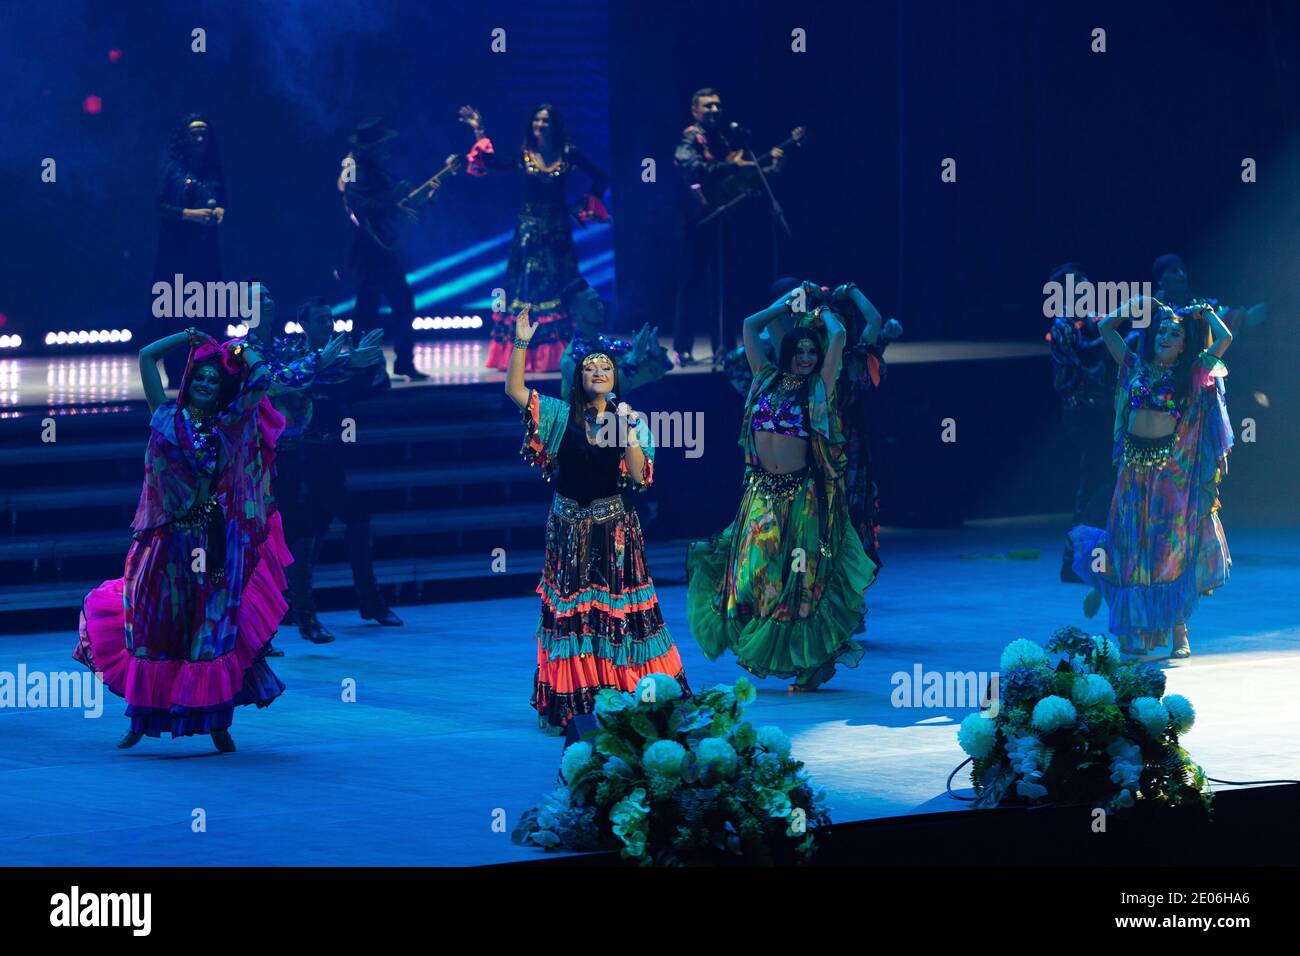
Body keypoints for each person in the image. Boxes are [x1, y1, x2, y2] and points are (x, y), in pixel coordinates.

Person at [74, 328, 290, 752]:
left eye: (214, 379)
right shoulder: (164, 416)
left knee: (209, 631)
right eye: (200, 377)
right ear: (189, 382)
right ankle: (139, 723)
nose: (207, 384)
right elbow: (145, 356)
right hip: (161, 544)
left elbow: (261, 380)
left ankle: (217, 726)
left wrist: (238, 349)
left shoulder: (229, 427)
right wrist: (185, 338)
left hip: (208, 543)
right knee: (154, 629)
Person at [506, 305, 689, 732]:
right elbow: (516, 389)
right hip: (568, 531)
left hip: (615, 534)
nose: (599, 370)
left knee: (617, 613)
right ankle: (575, 703)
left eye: (606, 366)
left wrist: (625, 429)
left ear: (616, 377)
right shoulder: (557, 415)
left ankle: (627, 696)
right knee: (574, 614)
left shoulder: (629, 420)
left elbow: (642, 476)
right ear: (579, 377)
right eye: (591, 366)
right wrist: (521, 341)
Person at [686, 283, 878, 691]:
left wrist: (824, 308)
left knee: (798, 581)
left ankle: (812, 662)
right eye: (802, 350)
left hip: (801, 498)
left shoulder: (819, 388)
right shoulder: (764, 378)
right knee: (755, 577)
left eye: (813, 351)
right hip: (760, 495)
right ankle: (780, 650)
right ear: (788, 351)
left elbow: (840, 337)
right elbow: (748, 327)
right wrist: (787, 301)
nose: (808, 357)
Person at [1070, 297, 1233, 660]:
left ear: (1183, 344)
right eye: (1161, 329)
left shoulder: (1191, 374)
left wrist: (1206, 315)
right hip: (1133, 471)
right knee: (1130, 548)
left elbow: (1225, 340)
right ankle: (1135, 628)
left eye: (1174, 333)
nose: (1165, 336)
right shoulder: (1134, 366)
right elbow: (1104, 328)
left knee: (1168, 551)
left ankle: (1179, 630)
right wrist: (1135, 305)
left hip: (1169, 475)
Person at [272, 297, 400, 642]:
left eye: (331, 319)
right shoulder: (292, 355)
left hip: (330, 455)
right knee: (308, 530)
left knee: (351, 520)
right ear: (305, 324)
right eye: (321, 320)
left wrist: (374, 365)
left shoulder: (342, 357)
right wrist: (347, 364)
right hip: (298, 458)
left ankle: (367, 602)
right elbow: (299, 385)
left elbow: (366, 390)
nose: (329, 325)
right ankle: (304, 614)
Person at [459, 103, 610, 372]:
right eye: (537, 120)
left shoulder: (568, 154)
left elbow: (600, 176)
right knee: (529, 290)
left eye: (546, 121)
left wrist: (585, 205)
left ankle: (561, 353)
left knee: (560, 288)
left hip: (557, 231)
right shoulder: (524, 155)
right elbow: (493, 163)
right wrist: (479, 130)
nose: (540, 125)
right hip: (529, 232)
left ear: (555, 126)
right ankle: (526, 355)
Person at [671, 88, 790, 367]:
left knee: (723, 286)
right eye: (708, 106)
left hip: (723, 222)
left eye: (718, 105)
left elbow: (742, 179)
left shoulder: (726, 139)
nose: (715, 110)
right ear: (695, 111)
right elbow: (694, 168)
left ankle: (724, 346)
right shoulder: (690, 137)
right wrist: (731, 165)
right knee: (691, 284)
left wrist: (771, 167)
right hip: (696, 222)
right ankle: (681, 348)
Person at [339, 118, 441, 381]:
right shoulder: (353, 167)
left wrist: (423, 199)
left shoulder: (377, 170)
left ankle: (401, 362)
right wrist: (393, 199)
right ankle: (364, 366)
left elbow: (393, 208)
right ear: (369, 146)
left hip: (382, 250)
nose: (386, 150)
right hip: (366, 250)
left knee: (401, 303)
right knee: (367, 310)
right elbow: (358, 202)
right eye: (381, 145)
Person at [1045, 262, 1117, 583]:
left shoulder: (1093, 322)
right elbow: (1084, 361)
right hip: (1081, 414)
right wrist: (1110, 333)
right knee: (1094, 480)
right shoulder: (1061, 324)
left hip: (1101, 411)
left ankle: (1083, 560)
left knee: (1099, 479)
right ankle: (1074, 561)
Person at [151, 114, 227, 389]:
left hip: (205, 252)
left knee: (208, 306)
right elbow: (160, 205)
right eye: (194, 135)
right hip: (178, 252)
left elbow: (224, 200)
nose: (199, 140)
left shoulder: (212, 170)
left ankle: (208, 369)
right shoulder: (173, 169)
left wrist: (219, 211)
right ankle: (177, 369)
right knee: (177, 308)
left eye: (204, 135)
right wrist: (190, 214)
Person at [557, 278, 671, 402]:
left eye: (599, 301)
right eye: (592, 304)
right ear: (575, 312)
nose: (600, 307)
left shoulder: (610, 344)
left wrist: (656, 355)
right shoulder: (570, 360)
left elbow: (658, 371)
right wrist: (632, 361)